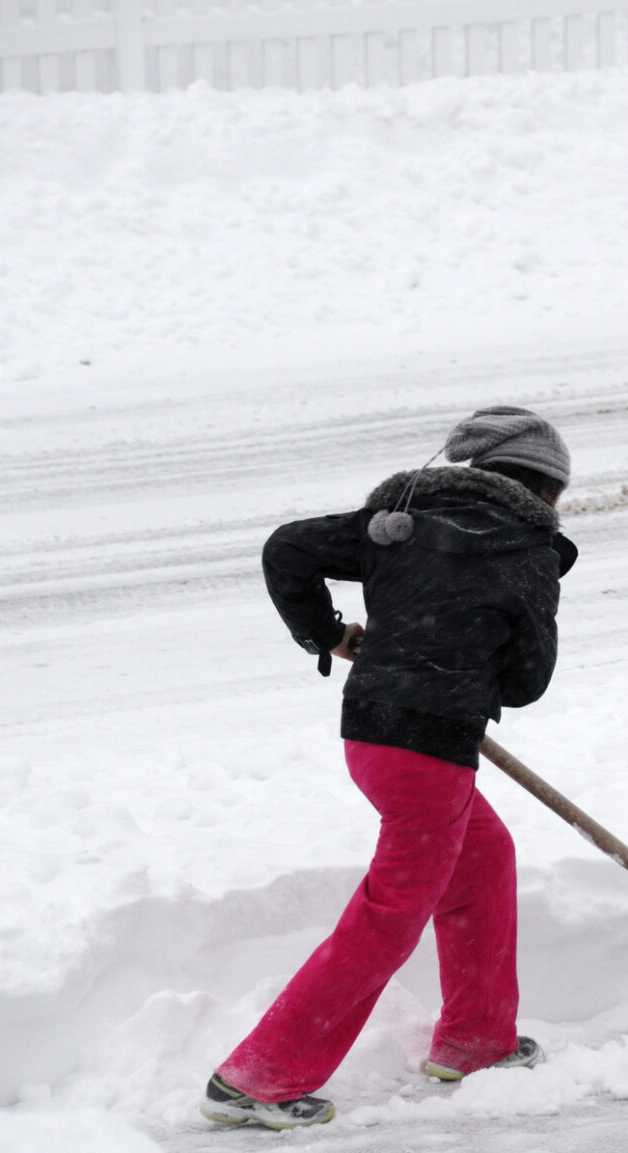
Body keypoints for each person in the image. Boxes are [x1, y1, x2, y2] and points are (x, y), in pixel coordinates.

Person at [200, 406, 577, 1130]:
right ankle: (259, 1077)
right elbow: (528, 683)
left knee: (484, 854)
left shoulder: (402, 518)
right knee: (390, 915)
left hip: (371, 734)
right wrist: (470, 659)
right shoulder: (527, 550)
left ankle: (477, 1040)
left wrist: (328, 632)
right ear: (545, 489)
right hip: (428, 751)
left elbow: (288, 548)